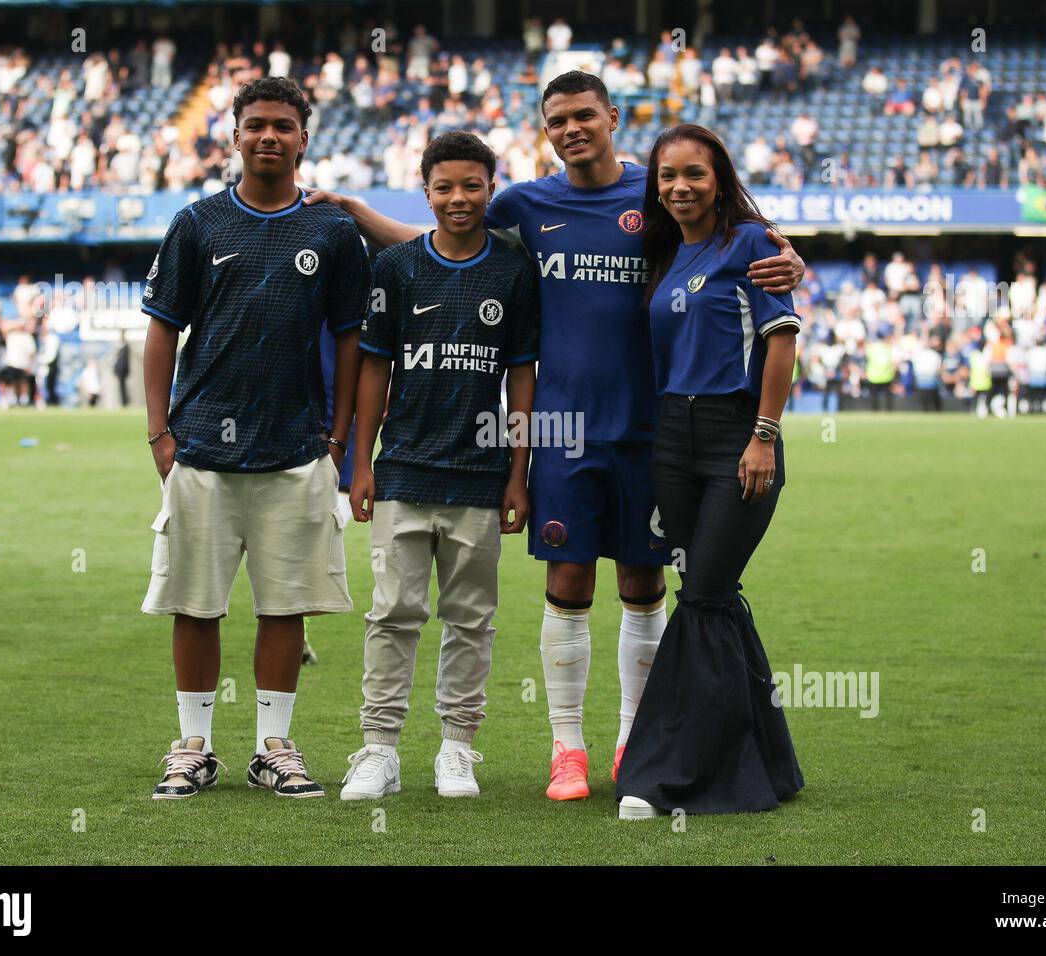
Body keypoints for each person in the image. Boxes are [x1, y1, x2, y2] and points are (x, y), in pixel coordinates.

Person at [302, 71, 804, 800]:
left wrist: (791, 261)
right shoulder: (529, 203)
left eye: (584, 115)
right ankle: (566, 748)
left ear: (612, 117)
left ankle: (636, 740)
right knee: (567, 582)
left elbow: (727, 248)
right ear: (546, 131)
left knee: (643, 584)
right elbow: (448, 237)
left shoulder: (657, 192)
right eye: (557, 120)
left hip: (651, 430)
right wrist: (356, 212)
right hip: (563, 430)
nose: (572, 129)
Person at [140, 77, 368, 800]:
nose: (269, 136)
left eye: (284, 126)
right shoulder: (197, 222)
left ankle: (274, 745)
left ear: (305, 137)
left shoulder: (333, 232)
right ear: (234, 134)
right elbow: (161, 330)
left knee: (284, 605)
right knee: (194, 603)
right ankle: (193, 746)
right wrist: (159, 432)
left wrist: (339, 440)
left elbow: (353, 340)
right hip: (201, 446)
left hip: (296, 448)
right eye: (256, 124)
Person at [339, 132, 538, 800]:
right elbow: (374, 366)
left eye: (472, 185)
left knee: (470, 617)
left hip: (479, 478)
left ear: (491, 187)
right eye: (445, 187)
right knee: (393, 611)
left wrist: (518, 471)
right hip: (402, 471)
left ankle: (457, 748)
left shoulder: (513, 269)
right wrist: (360, 463)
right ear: (425, 191)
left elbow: (521, 375)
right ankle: (379, 749)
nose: (459, 198)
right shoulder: (396, 267)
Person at [615, 124, 804, 819]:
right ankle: (767, 763)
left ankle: (668, 773)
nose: (679, 188)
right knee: (710, 595)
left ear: (718, 177)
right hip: (672, 439)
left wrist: (763, 436)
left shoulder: (752, 244)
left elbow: (781, 339)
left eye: (693, 174)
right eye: (666, 178)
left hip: (736, 436)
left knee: (701, 597)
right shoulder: (664, 252)